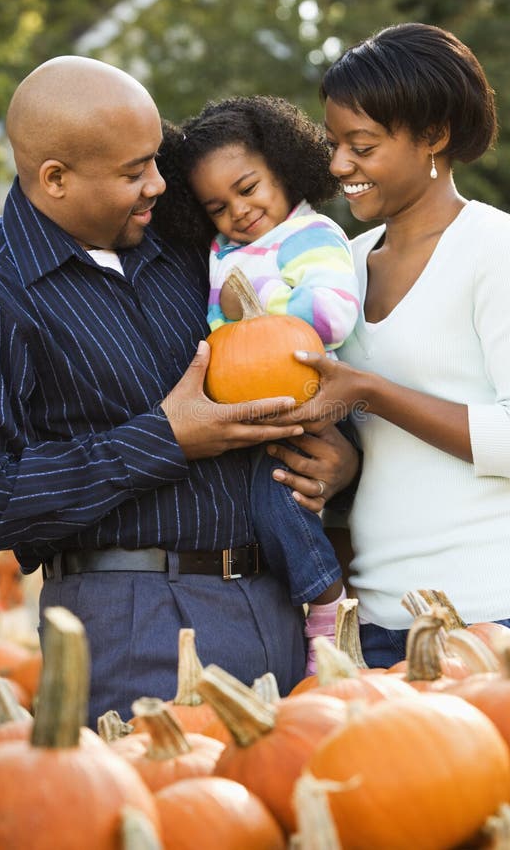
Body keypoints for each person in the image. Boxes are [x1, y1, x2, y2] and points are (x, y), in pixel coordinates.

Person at [0, 55, 359, 724]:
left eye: (155, 159)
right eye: (132, 172)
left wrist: (342, 461)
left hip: (281, 603)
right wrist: (163, 438)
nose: (157, 183)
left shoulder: (193, 241)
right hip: (132, 622)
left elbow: (291, 357)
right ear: (54, 179)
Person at [271, 22, 510, 666]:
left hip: (498, 613)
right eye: (335, 144)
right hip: (377, 618)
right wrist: (342, 467)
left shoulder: (496, 249)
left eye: (363, 145)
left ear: (434, 137)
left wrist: (374, 393)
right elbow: (367, 451)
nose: (340, 165)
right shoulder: (339, 266)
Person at [154, 95, 361, 672]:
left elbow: (332, 314)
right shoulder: (224, 251)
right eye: (217, 206)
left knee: (279, 504)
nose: (239, 211)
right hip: (251, 410)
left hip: (312, 399)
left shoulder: (309, 235)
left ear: (283, 169)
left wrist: (257, 309)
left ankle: (327, 604)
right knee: (258, 508)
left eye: (250, 188)